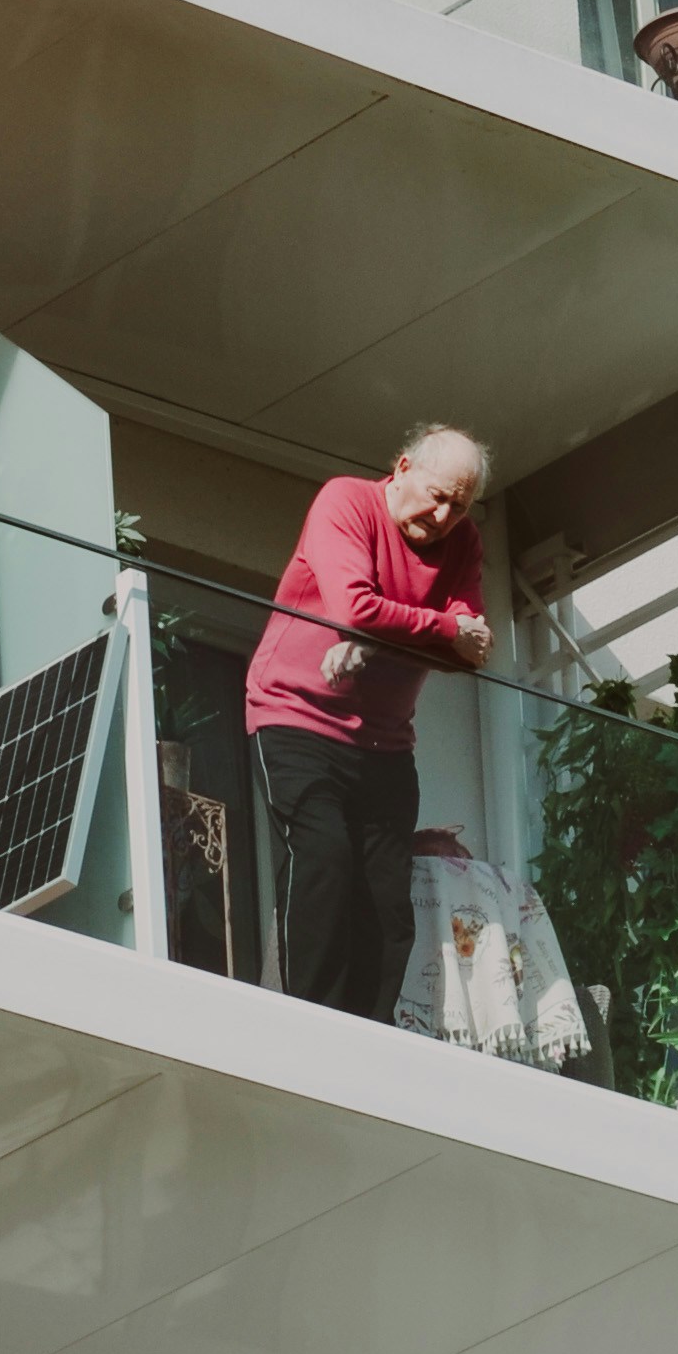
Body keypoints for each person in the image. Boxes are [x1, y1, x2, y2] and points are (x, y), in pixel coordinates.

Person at [247, 422, 493, 1022]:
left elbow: (474, 650)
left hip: (385, 743)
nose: (442, 515)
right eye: (436, 495)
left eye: (458, 506)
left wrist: (378, 640)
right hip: (296, 717)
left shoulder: (463, 543)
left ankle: (368, 1032)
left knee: (387, 901)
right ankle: (310, 1022)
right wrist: (437, 629)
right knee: (324, 861)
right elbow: (355, 605)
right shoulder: (347, 501)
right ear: (403, 468)